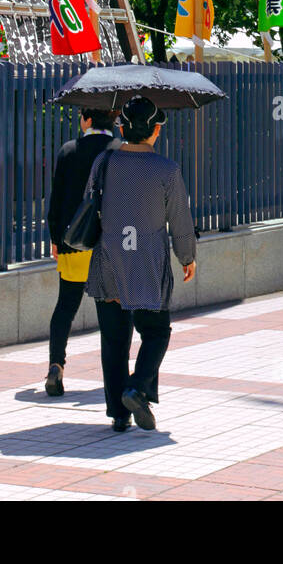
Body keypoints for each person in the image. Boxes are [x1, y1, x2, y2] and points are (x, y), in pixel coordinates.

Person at [86, 96, 196, 431]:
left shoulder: (104, 163)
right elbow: (180, 220)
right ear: (156, 130)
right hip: (148, 262)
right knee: (156, 331)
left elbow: (90, 202)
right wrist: (187, 257)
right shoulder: (167, 170)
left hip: (109, 260)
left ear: (121, 127)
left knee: (114, 338)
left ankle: (119, 413)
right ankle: (137, 388)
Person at [44, 107, 119, 396]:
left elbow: (57, 199)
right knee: (112, 311)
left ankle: (56, 365)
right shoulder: (119, 150)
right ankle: (114, 374)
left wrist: (55, 237)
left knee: (65, 306)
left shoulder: (69, 150)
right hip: (110, 245)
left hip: (74, 243)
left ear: (87, 120)